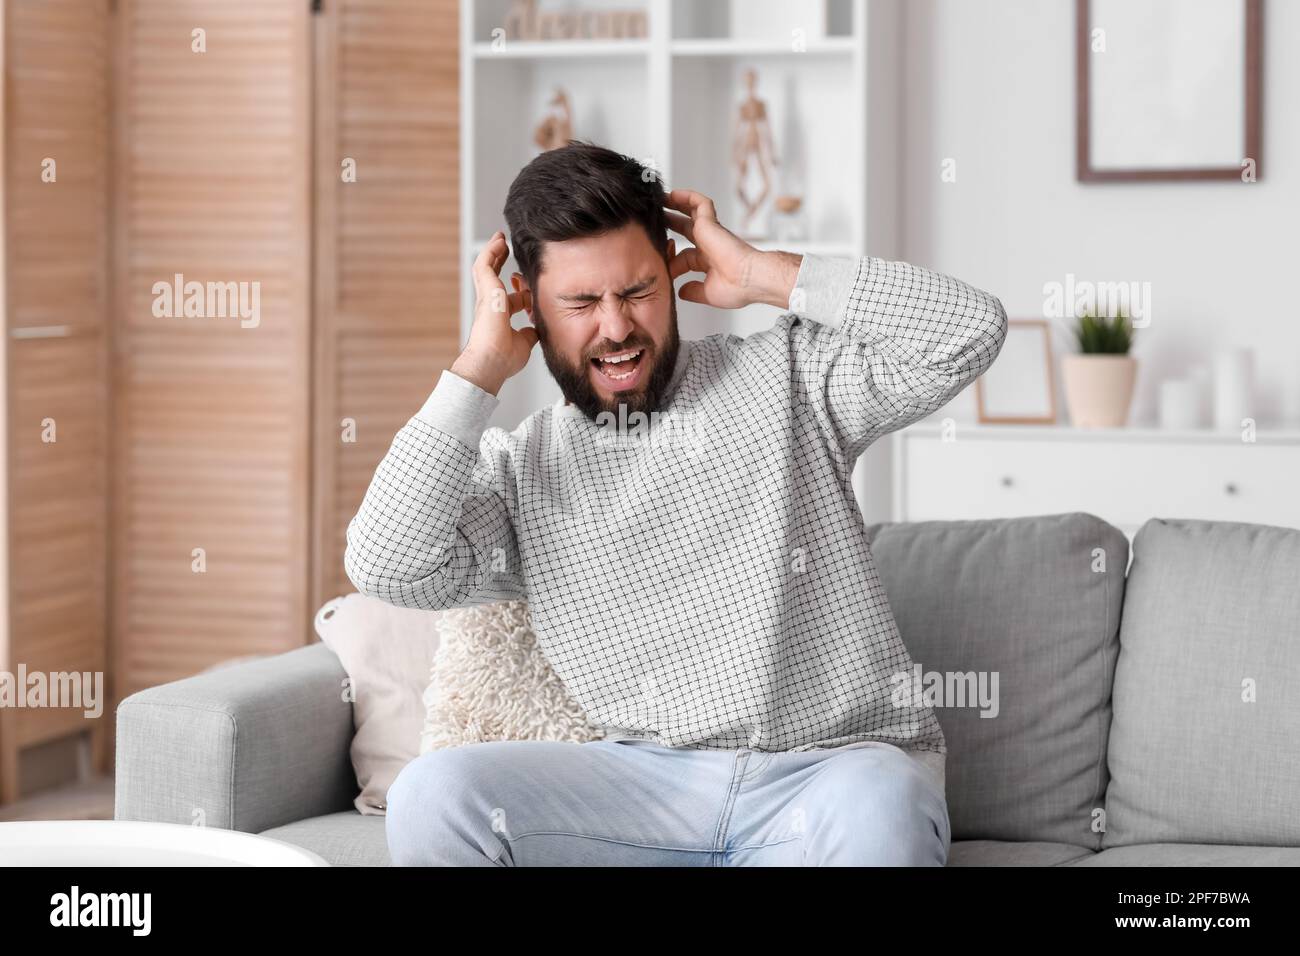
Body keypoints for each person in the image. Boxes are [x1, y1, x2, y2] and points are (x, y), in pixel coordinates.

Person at [345, 140, 1008, 866]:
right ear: (528, 306)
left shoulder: (789, 376)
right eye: (581, 303)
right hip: (641, 788)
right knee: (433, 794)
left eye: (636, 291)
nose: (617, 327)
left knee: (883, 801)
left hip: (827, 779)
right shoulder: (521, 468)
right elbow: (387, 563)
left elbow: (968, 332)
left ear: (671, 267)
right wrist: (477, 372)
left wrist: (763, 274)